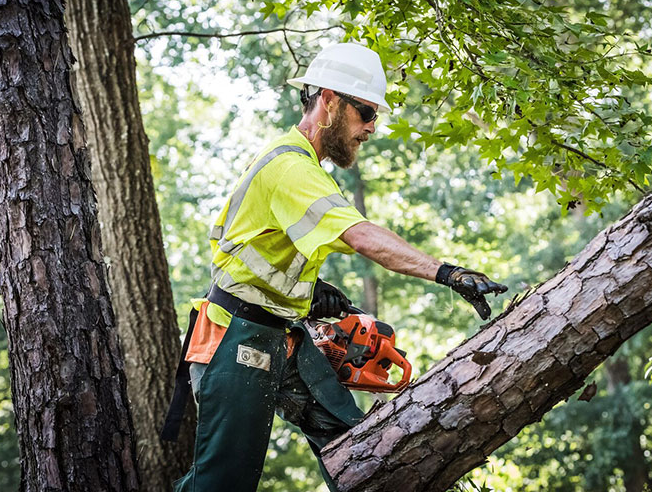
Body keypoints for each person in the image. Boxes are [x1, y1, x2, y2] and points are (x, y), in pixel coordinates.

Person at [166, 42, 507, 491]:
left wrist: (311, 293)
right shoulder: (290, 167)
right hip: (237, 336)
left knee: (357, 445)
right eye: (365, 111)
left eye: (375, 116)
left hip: (280, 334)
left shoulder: (302, 165)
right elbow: (361, 234)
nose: (370, 127)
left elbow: (260, 252)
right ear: (329, 100)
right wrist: (446, 272)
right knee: (223, 482)